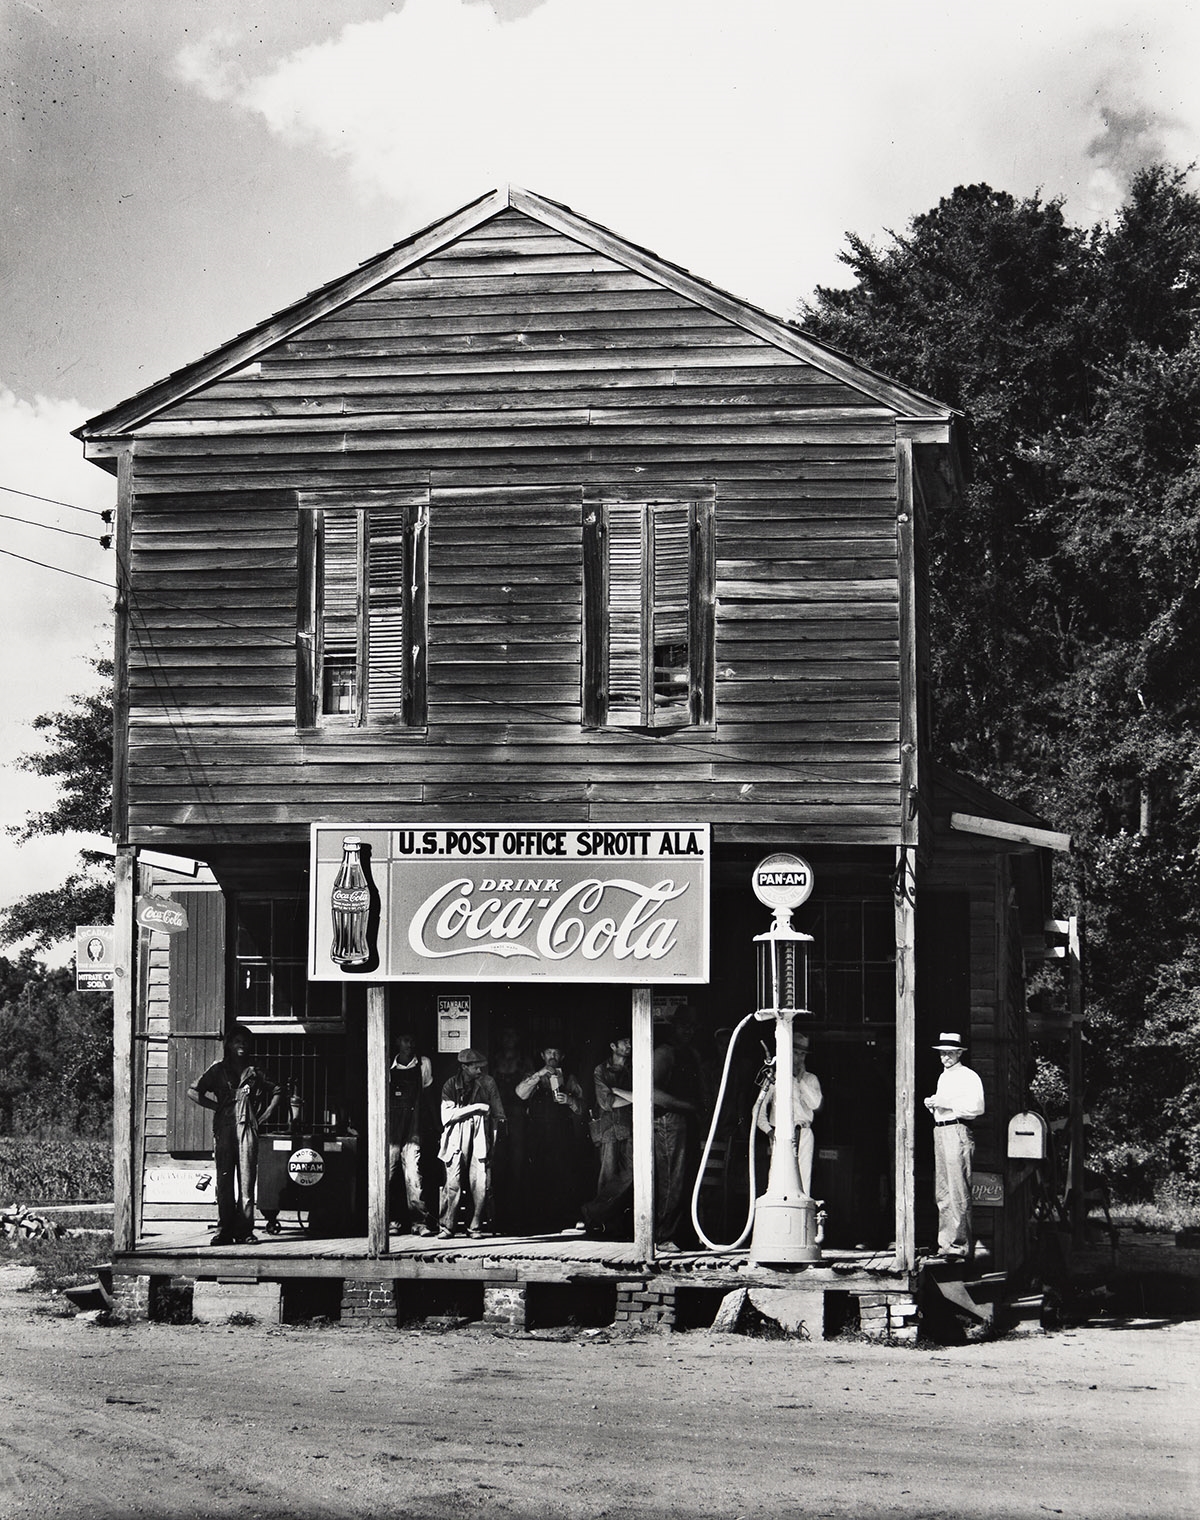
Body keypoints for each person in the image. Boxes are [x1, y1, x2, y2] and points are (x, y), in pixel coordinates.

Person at [188, 1026, 280, 1246]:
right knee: (224, 1180)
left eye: (245, 1042)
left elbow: (277, 1091)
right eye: (237, 1041)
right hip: (224, 1129)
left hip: (247, 1127)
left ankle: (245, 1231)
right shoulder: (218, 1070)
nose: (242, 1045)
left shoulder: (255, 1071)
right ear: (229, 1044)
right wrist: (216, 1106)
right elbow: (193, 1091)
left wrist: (264, 1116)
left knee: (247, 1182)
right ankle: (225, 1231)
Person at [923, 1030, 985, 1260]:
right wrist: (934, 1105)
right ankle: (946, 1245)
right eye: (942, 1053)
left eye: (950, 1053)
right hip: (941, 1130)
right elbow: (945, 1104)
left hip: (957, 1130)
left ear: (959, 1053)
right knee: (943, 1192)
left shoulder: (968, 1076)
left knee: (958, 1189)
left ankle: (960, 1247)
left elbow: (977, 1107)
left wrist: (945, 1103)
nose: (946, 1057)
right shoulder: (944, 1076)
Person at [516, 1044, 587, 1232]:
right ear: (542, 1055)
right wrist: (538, 1075)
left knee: (563, 1173)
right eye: (548, 1052)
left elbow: (581, 1107)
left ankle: (563, 1218)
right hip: (537, 1134)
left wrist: (570, 1100)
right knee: (536, 1173)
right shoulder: (534, 1075)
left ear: (562, 1056)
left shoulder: (569, 1076)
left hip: (561, 1134)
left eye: (556, 1052)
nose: (552, 1056)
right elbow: (520, 1094)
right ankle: (538, 1219)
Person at [437, 1048, 505, 1239]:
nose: (479, 1070)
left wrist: (493, 1144)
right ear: (464, 1067)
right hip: (455, 1136)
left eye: (480, 1066)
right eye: (475, 1067)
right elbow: (447, 1116)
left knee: (479, 1182)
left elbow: (497, 1115)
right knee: (453, 1182)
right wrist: (476, 1107)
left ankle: (474, 1226)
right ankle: (447, 1226)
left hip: (480, 1135)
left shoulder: (488, 1083)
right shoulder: (450, 1085)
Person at [752, 1030, 823, 1197]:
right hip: (781, 1133)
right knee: (778, 1178)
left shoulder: (811, 1079)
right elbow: (757, 1109)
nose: (799, 1058)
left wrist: (799, 1081)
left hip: (804, 1132)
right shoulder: (775, 1078)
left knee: (803, 1181)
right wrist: (769, 1131)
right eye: (796, 1053)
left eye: (802, 1054)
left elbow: (815, 1104)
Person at [581, 1034, 634, 1237]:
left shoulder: (634, 1067)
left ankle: (592, 1212)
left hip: (630, 1127)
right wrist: (634, 1097)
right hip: (608, 1129)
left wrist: (617, 1090)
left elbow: (619, 1096)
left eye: (630, 1041)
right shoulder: (601, 1070)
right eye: (624, 1042)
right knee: (607, 1176)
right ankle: (604, 1226)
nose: (629, 1045)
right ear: (613, 1046)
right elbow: (607, 1103)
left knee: (631, 1174)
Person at [387, 1030, 432, 1235]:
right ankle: (392, 1221)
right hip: (392, 1130)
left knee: (413, 1174)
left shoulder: (423, 1064)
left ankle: (418, 1222)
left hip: (413, 1127)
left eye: (412, 1040)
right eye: (406, 1039)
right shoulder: (388, 1063)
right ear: (397, 1041)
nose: (410, 1044)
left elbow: (427, 1096)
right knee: (390, 1173)